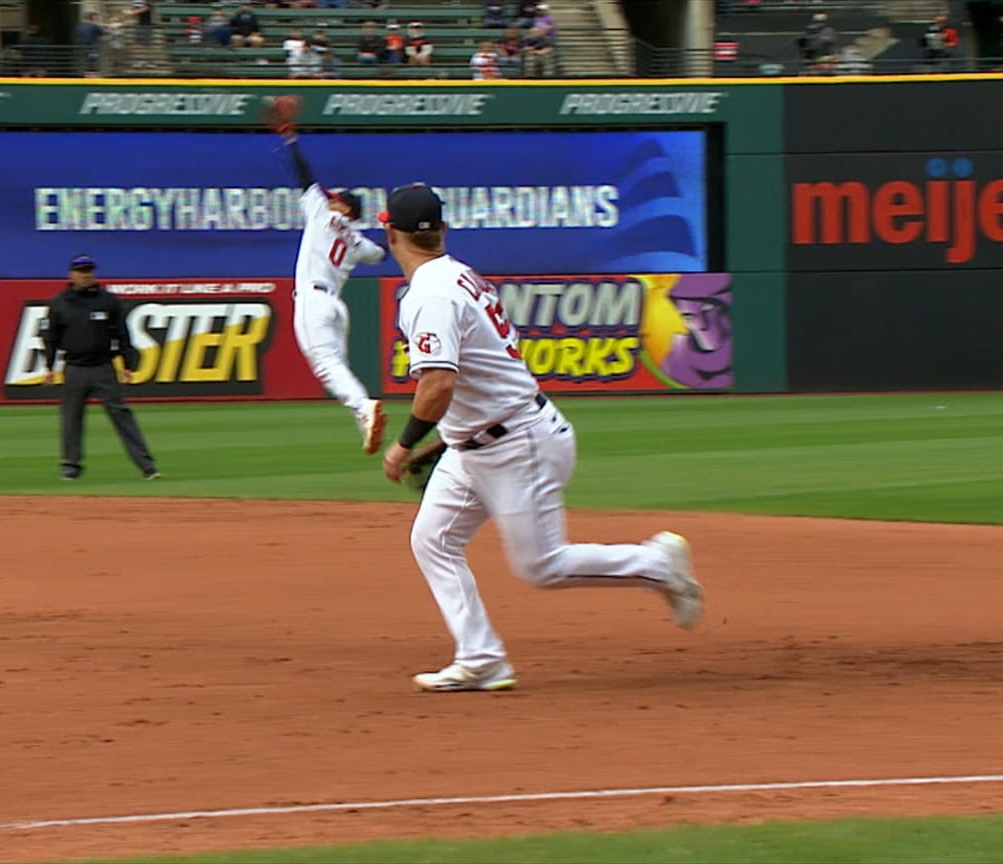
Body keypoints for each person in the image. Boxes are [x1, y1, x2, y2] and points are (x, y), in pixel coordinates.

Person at [377, 184, 704, 692]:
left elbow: (438, 383)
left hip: (516, 443)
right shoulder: (457, 275)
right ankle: (481, 658)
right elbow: (481, 374)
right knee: (432, 540)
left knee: (541, 567)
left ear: (391, 234)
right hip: (480, 443)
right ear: (442, 230)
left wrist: (403, 445)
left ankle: (656, 564)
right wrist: (445, 441)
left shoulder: (430, 294)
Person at [271, 110, 388, 453]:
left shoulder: (322, 213)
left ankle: (365, 408)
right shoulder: (359, 242)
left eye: (336, 199)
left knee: (326, 367)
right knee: (338, 367)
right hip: (336, 306)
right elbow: (381, 254)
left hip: (313, 301)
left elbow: (305, 177)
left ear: (344, 208)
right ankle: (364, 415)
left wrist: (290, 140)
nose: (331, 199)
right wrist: (387, 224)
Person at [40, 255, 160, 480]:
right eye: (81, 271)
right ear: (71, 275)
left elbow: (122, 333)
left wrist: (127, 364)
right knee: (71, 418)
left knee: (121, 415)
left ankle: (147, 466)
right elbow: (51, 337)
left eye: (89, 271)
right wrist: (49, 366)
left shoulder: (108, 301)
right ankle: (71, 466)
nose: (86, 275)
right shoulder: (59, 303)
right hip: (74, 367)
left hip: (103, 367)